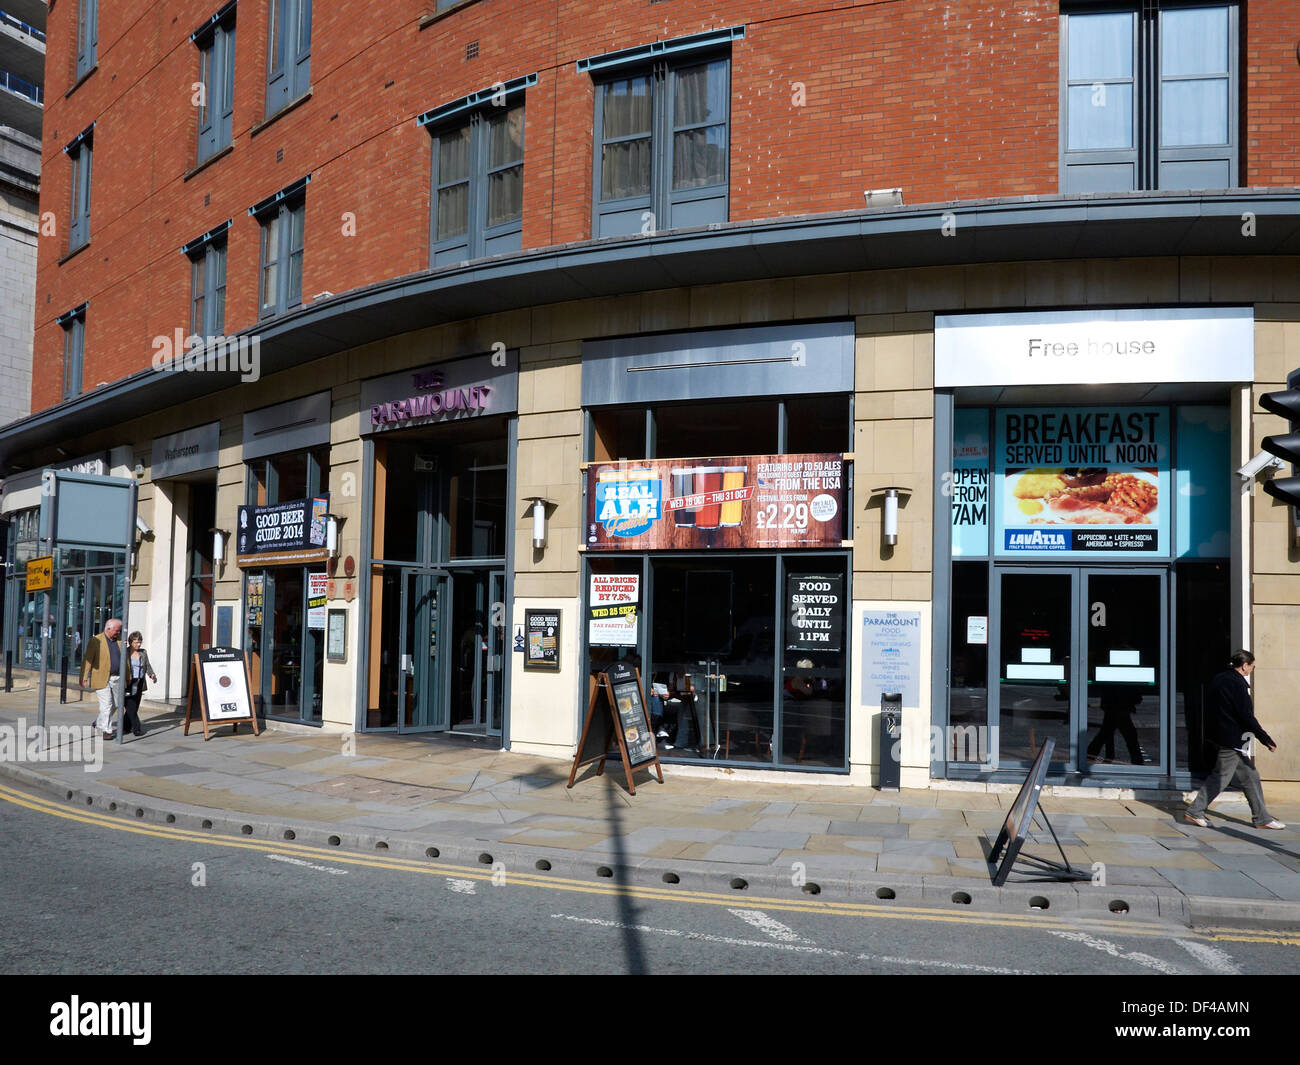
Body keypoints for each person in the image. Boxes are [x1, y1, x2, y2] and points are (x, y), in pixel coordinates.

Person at [1186, 650, 1285, 830]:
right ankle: (1195, 811)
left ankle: (1262, 818)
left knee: (1250, 775)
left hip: (1220, 734)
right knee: (1221, 776)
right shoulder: (1237, 684)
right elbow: (1245, 715)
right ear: (1245, 665)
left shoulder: (1219, 679)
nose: (1252, 669)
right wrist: (1264, 737)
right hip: (1230, 738)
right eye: (1252, 666)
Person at [80, 618, 125, 740]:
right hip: (101, 678)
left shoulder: (121, 641)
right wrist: (84, 676)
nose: (118, 633)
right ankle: (106, 730)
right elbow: (87, 659)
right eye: (117, 630)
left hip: (117, 678)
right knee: (106, 704)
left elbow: (126, 661)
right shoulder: (96, 641)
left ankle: (99, 723)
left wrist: (128, 676)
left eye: (119, 631)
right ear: (108, 629)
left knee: (117, 704)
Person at [121, 631, 158, 738]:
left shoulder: (143, 653)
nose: (138, 644)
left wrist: (152, 675)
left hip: (139, 682)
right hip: (128, 682)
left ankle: (125, 727)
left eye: (140, 642)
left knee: (134, 706)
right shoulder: (125, 652)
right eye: (136, 642)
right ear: (130, 642)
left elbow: (147, 665)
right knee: (130, 706)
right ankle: (137, 728)